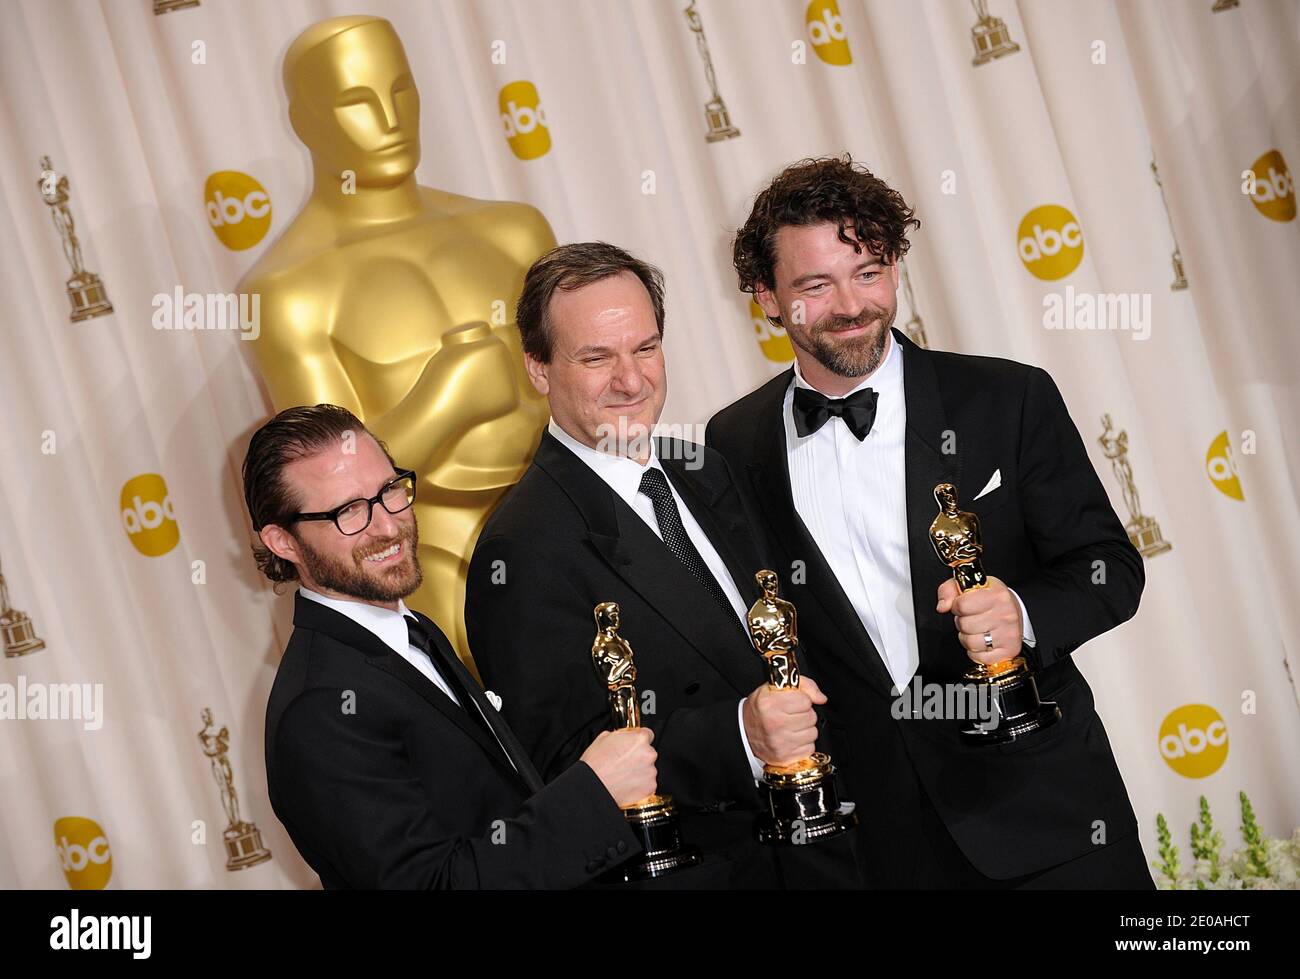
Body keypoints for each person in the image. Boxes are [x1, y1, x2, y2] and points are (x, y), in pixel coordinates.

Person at [707, 156, 1152, 888]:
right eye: (816, 285)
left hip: (1046, 813)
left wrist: (1022, 613)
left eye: (870, 272)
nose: (853, 304)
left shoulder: (1005, 397)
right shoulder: (731, 444)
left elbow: (1110, 567)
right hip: (879, 842)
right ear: (766, 297)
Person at [465, 242, 859, 887]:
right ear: (538, 368)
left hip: (827, 844)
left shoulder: (702, 467)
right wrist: (740, 736)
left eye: (644, 349)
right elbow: (567, 765)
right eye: (596, 357)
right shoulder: (521, 546)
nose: (630, 380)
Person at [246, 404, 656, 888]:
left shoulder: (411, 630)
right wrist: (593, 796)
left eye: (388, 491)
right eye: (348, 512)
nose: (386, 526)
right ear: (283, 542)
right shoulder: (320, 708)